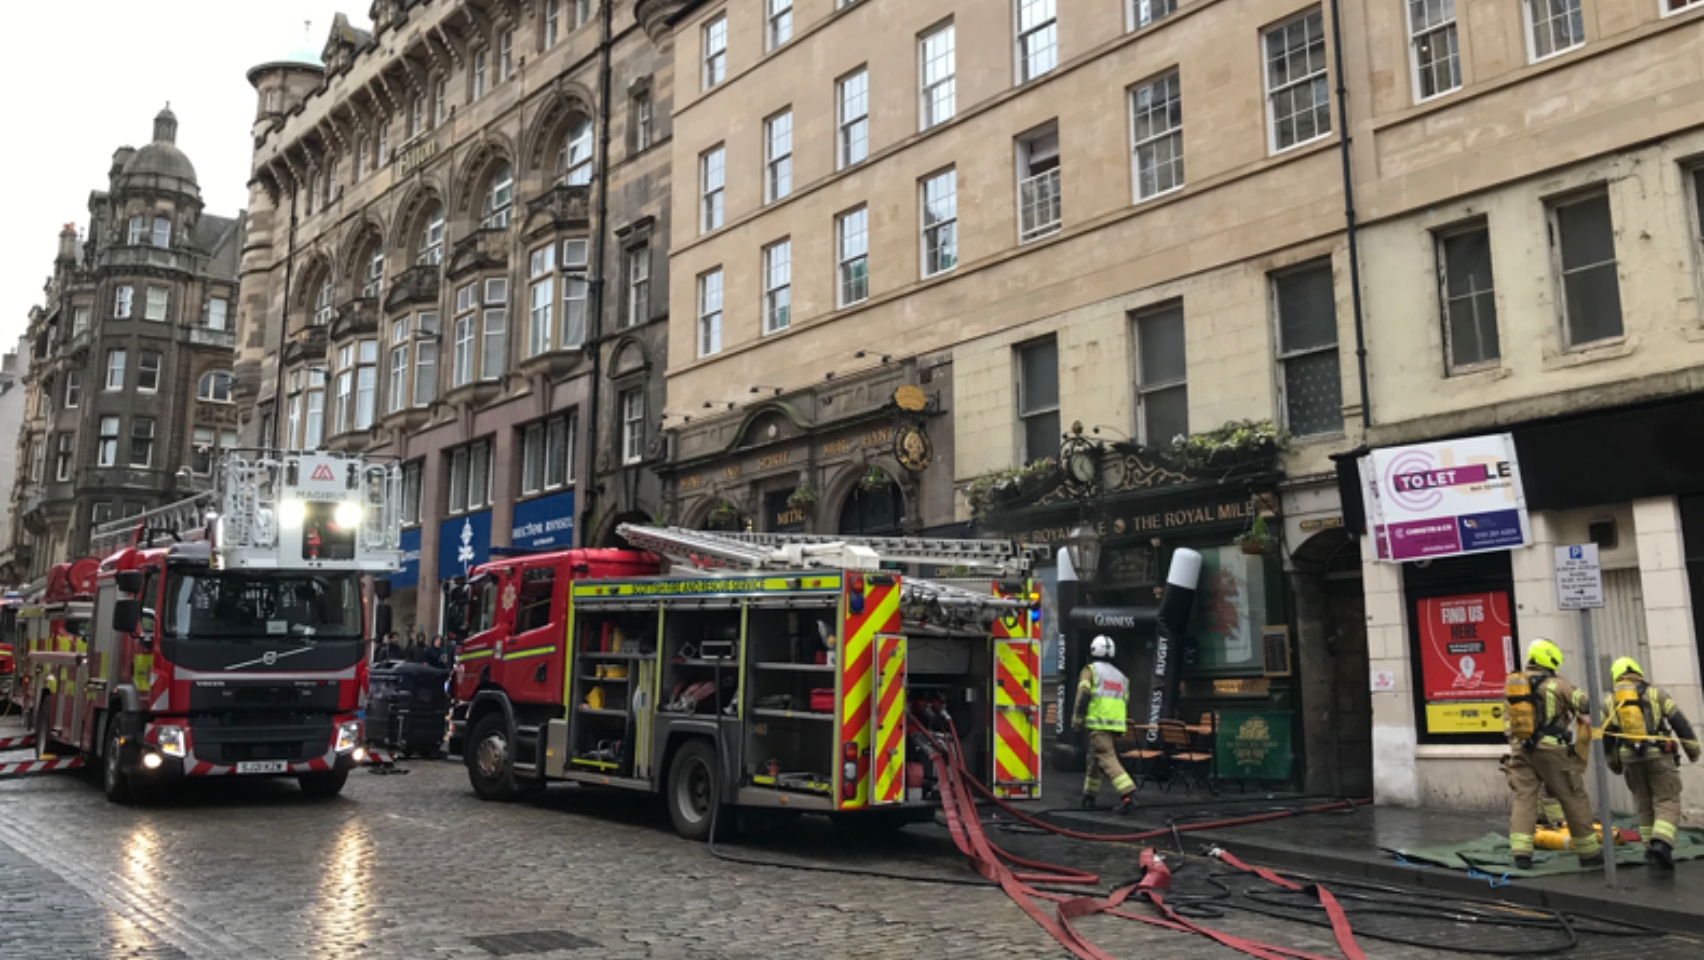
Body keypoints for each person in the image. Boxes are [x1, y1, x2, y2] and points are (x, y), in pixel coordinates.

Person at [1504, 638, 1600, 870]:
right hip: (1551, 750)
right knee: (1572, 795)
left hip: (1520, 749)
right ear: (1550, 658)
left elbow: (1507, 721)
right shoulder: (1559, 685)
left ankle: (1521, 854)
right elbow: (1587, 704)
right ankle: (1589, 854)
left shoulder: (1515, 684)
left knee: (1524, 798)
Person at [1600, 656, 1700, 870]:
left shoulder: (1610, 701)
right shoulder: (1656, 693)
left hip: (1629, 760)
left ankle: (1649, 849)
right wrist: (1693, 751)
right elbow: (1680, 723)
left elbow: (1607, 738)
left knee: (1643, 802)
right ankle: (1662, 844)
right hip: (1658, 755)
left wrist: (1614, 764)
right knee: (1667, 799)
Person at [1072, 634, 1137, 815]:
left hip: (1098, 723)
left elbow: (1083, 697)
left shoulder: (1090, 671)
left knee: (1107, 758)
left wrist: (1077, 720)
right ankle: (1089, 795)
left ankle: (1128, 794)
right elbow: (1125, 700)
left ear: (1093, 651)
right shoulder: (1121, 677)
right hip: (1114, 725)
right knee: (1095, 758)